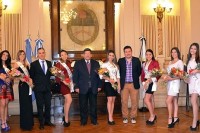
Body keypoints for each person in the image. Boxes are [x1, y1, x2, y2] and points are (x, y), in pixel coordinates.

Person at [73, 48, 102, 126]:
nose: (87, 55)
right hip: (82, 88)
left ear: (91, 55)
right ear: (83, 55)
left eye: (89, 53)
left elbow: (100, 75)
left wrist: (99, 85)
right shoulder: (78, 63)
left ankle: (94, 121)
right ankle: (83, 121)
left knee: (94, 105)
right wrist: (76, 87)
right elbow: (75, 76)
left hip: (94, 87)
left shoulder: (96, 63)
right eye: (86, 53)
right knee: (83, 105)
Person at [30, 48, 55, 130]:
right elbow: (31, 77)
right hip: (38, 89)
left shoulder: (49, 63)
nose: (41, 54)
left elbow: (51, 75)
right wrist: (34, 87)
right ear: (37, 54)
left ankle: (47, 121)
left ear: (45, 53)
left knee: (48, 105)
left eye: (43, 53)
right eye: (40, 53)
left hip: (48, 88)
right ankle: (41, 123)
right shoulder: (33, 64)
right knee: (40, 106)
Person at [118, 45, 141, 124]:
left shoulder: (136, 60)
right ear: (124, 53)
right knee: (124, 101)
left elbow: (139, 72)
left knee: (134, 101)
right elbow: (119, 72)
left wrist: (134, 78)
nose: (127, 53)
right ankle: (125, 117)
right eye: (126, 52)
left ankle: (133, 116)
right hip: (124, 84)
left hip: (133, 84)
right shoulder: (120, 61)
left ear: (131, 52)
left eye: (129, 51)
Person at [13, 50, 34, 130]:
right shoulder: (16, 64)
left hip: (28, 85)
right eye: (20, 54)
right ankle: (25, 125)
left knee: (28, 104)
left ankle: (29, 123)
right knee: (24, 104)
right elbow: (13, 73)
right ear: (18, 56)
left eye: (23, 54)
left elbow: (29, 75)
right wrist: (20, 78)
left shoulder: (26, 64)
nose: (22, 55)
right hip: (22, 86)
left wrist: (30, 80)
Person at [100, 50, 121, 125]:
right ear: (107, 56)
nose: (111, 56)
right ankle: (110, 118)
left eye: (113, 55)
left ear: (114, 56)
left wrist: (119, 85)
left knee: (113, 100)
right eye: (110, 55)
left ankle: (111, 115)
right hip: (108, 84)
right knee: (110, 99)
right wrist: (109, 79)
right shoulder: (104, 65)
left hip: (115, 84)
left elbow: (118, 76)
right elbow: (101, 75)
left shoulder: (116, 65)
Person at [164, 47, 184, 128]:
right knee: (174, 100)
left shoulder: (180, 62)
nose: (173, 53)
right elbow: (169, 73)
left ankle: (170, 118)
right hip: (169, 83)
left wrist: (171, 78)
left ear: (178, 53)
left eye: (175, 52)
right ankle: (175, 117)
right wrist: (166, 77)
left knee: (168, 100)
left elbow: (181, 75)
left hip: (175, 83)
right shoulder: (170, 62)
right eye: (172, 52)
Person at [141, 49, 160, 125]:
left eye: (150, 54)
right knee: (150, 99)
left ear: (152, 55)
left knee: (146, 100)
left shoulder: (155, 62)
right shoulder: (144, 63)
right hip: (145, 82)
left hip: (151, 82)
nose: (148, 56)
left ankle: (152, 116)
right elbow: (143, 74)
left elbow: (158, 74)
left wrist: (149, 81)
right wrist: (144, 82)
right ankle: (153, 115)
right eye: (147, 54)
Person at [54, 50, 73, 127]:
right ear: (60, 56)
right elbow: (57, 75)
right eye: (62, 55)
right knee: (69, 99)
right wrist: (64, 81)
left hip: (69, 84)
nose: (64, 56)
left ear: (67, 55)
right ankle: (66, 120)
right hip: (63, 84)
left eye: (65, 54)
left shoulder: (69, 63)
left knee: (66, 101)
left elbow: (71, 73)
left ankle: (65, 117)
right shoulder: (58, 64)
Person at [186, 43, 200, 131]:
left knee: (193, 101)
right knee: (195, 102)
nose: (193, 50)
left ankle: (194, 122)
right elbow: (188, 72)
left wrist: (196, 70)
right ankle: (197, 119)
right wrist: (186, 78)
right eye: (191, 48)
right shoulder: (188, 60)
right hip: (191, 82)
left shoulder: (199, 59)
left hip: (198, 81)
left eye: (195, 49)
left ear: (197, 50)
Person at [0, 50, 13, 131]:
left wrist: (9, 78)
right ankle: (2, 123)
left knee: (6, 104)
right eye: (4, 54)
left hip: (8, 87)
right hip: (0, 86)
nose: (5, 56)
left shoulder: (8, 66)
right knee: (2, 104)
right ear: (1, 55)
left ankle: (4, 121)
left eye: (7, 55)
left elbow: (12, 77)